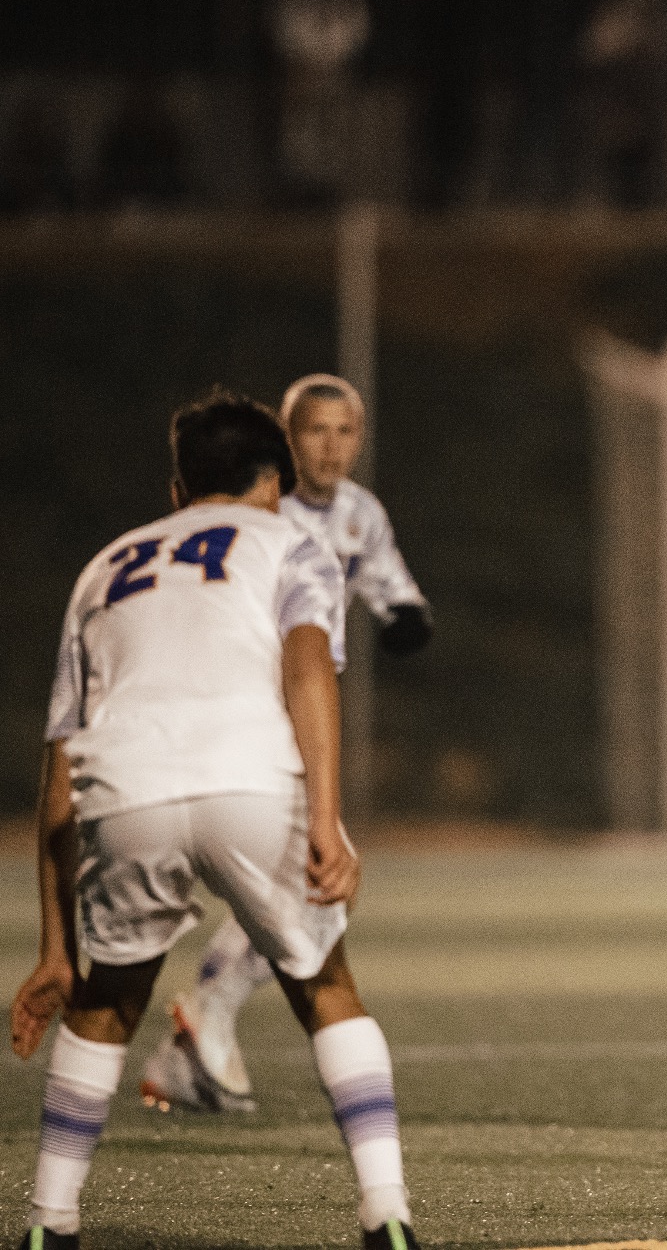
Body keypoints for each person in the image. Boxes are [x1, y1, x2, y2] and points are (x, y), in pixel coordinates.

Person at [12, 391, 419, 1248]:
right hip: (248, 778)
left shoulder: (104, 567)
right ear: (274, 480)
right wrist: (328, 818)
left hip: (126, 791)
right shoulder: (293, 540)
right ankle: (385, 1213)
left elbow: (60, 766)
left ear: (176, 488)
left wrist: (55, 949)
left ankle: (49, 1222)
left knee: (107, 1002)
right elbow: (309, 668)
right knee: (325, 984)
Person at [140, 373, 430, 1115]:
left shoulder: (361, 513)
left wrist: (404, 613)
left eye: (346, 431)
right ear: (286, 440)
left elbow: (391, 586)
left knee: (294, 886)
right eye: (315, 431)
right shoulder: (257, 512)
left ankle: (194, 1037)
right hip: (252, 713)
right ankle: (203, 1017)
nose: (331, 447)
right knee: (315, 886)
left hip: (290, 714)